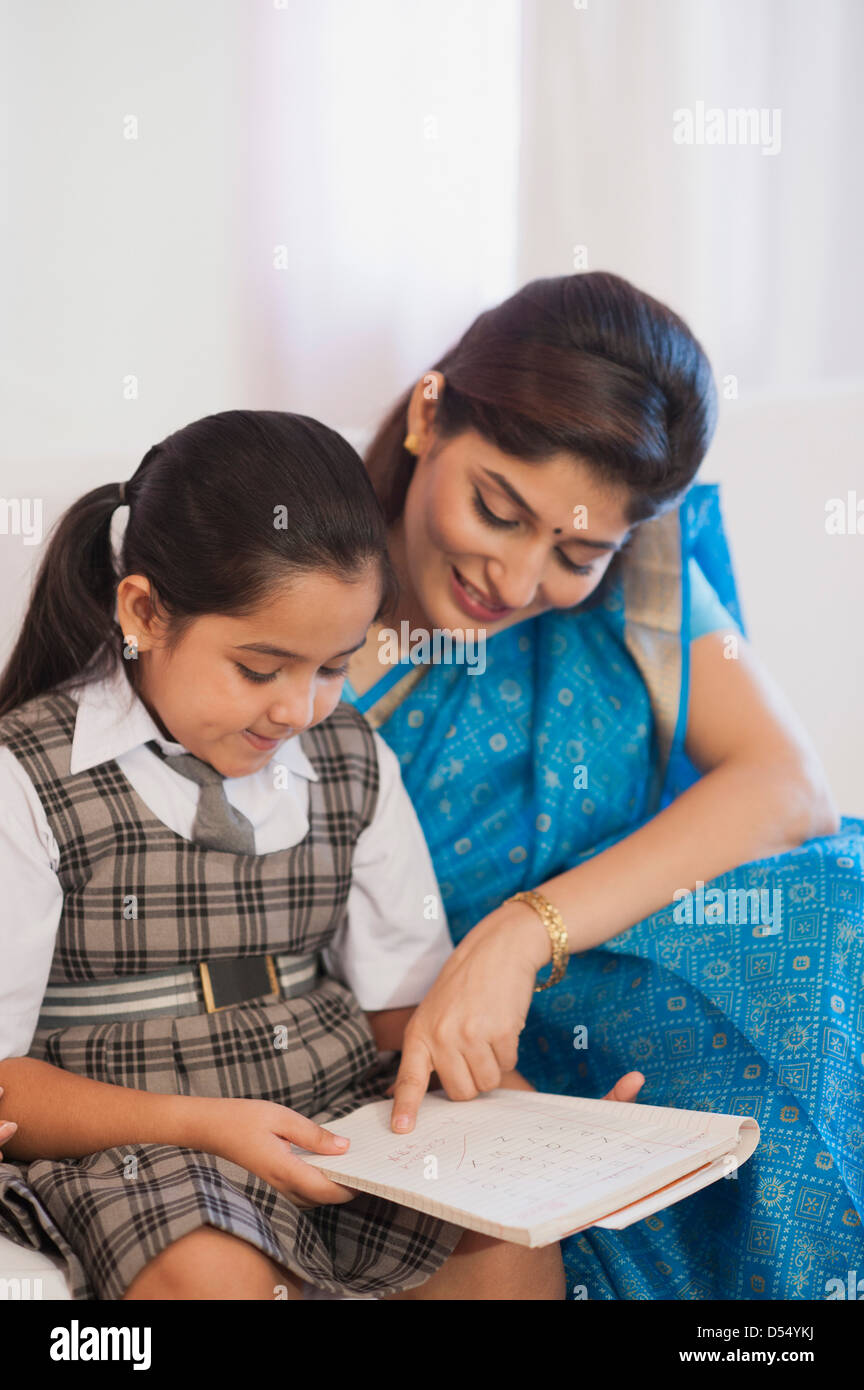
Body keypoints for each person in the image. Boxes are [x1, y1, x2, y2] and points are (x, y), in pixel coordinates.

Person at [0, 408, 639, 1301]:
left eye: (334, 668)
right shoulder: (28, 778)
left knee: (502, 1249)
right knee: (211, 1274)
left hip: (337, 1109)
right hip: (144, 1138)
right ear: (144, 613)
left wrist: (534, 1132)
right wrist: (208, 1127)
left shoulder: (350, 757)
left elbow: (398, 1010)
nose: (299, 711)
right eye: (260, 670)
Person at [340, 270, 864, 1301]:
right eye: (499, 508)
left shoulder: (646, 565)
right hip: (441, 1037)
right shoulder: (291, 618)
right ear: (429, 412)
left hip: (609, 954)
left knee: (833, 924)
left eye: (579, 549)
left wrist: (523, 931)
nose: (522, 581)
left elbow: (785, 782)